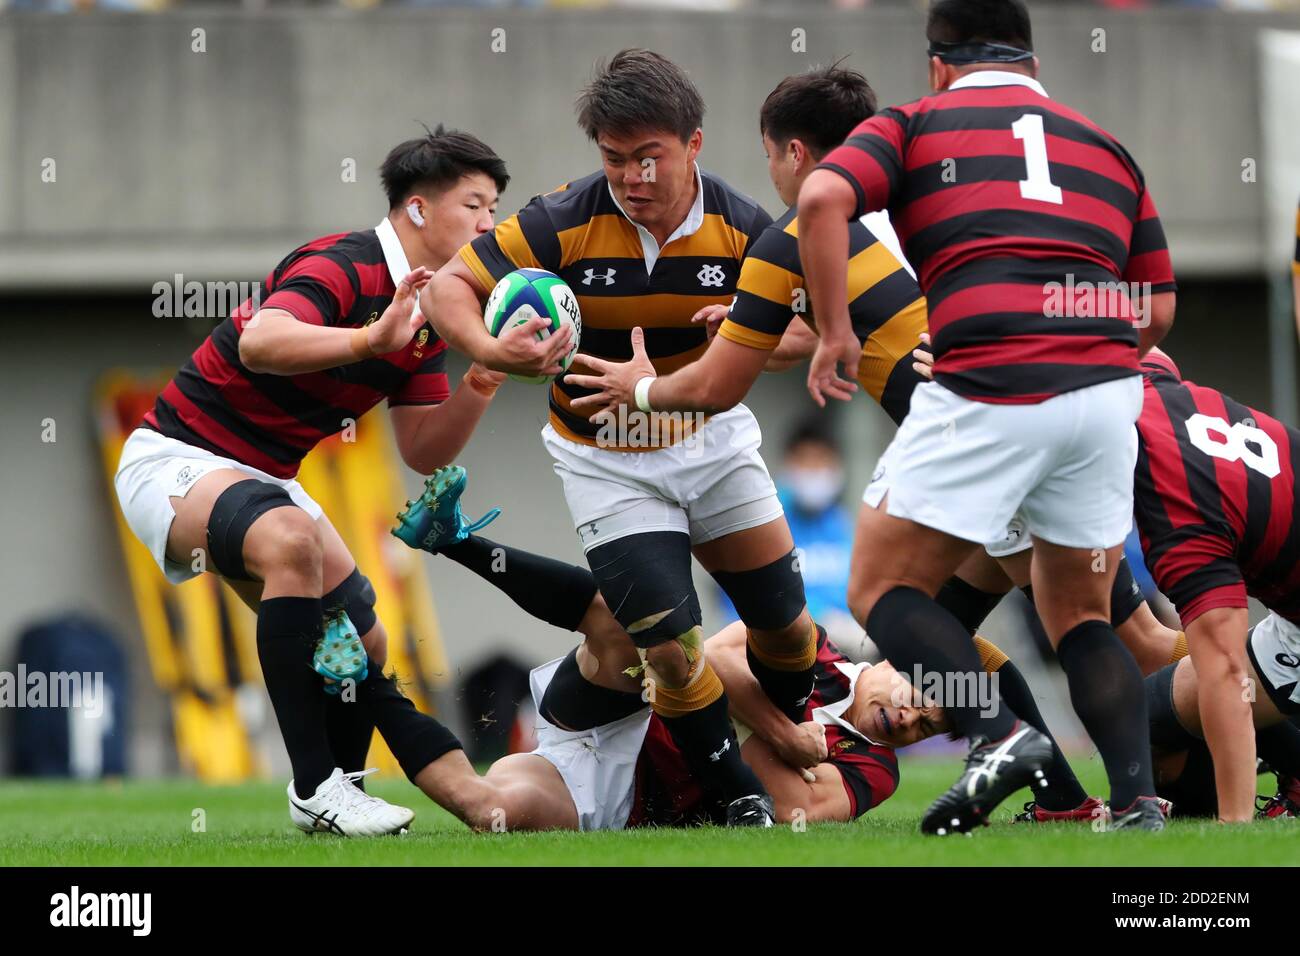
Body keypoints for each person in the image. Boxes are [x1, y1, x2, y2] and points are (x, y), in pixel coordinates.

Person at [794, 0, 1177, 832]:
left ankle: (1000, 735)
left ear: (938, 65)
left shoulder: (914, 122)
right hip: (1107, 392)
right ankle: (1139, 801)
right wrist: (1087, 335)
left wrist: (832, 334)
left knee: (882, 587)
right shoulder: (1103, 144)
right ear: (1032, 65)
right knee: (1080, 614)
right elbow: (1157, 307)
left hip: (993, 378)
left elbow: (823, 199)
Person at [422, 49, 825, 826]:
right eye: (615, 159)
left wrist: (748, 339)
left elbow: (811, 327)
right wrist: (488, 347)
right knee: (667, 646)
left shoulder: (745, 227)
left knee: (787, 627)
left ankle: (774, 748)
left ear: (694, 145)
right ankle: (736, 799)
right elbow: (450, 286)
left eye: (650, 158)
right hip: (606, 461)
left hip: (712, 446)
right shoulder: (563, 218)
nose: (633, 177)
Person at [113, 126, 533, 835]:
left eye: (493, 207)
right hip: (175, 457)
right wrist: (371, 339)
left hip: (265, 477)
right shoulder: (346, 264)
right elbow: (261, 341)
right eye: (475, 204)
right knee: (292, 544)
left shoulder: (432, 309)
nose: (489, 224)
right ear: (420, 210)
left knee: (364, 643)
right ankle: (314, 788)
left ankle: (341, 804)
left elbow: (424, 448)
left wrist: (486, 377)